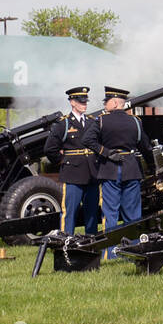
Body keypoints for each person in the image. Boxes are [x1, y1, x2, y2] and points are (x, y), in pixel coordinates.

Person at [95, 86, 152, 257]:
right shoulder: (135, 121)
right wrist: (152, 167)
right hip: (131, 169)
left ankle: (110, 253)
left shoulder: (101, 120)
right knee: (133, 215)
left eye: (106, 102)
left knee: (110, 213)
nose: (105, 105)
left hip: (110, 169)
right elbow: (146, 147)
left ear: (113, 103)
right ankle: (133, 250)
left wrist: (106, 153)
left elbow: (88, 140)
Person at [44, 86, 101, 235]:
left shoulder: (92, 121)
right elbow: (50, 149)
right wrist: (62, 160)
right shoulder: (63, 124)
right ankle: (66, 243)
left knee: (92, 213)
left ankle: (91, 243)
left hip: (92, 174)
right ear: (72, 102)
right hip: (73, 174)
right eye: (81, 101)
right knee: (69, 212)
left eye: (85, 101)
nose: (84, 104)